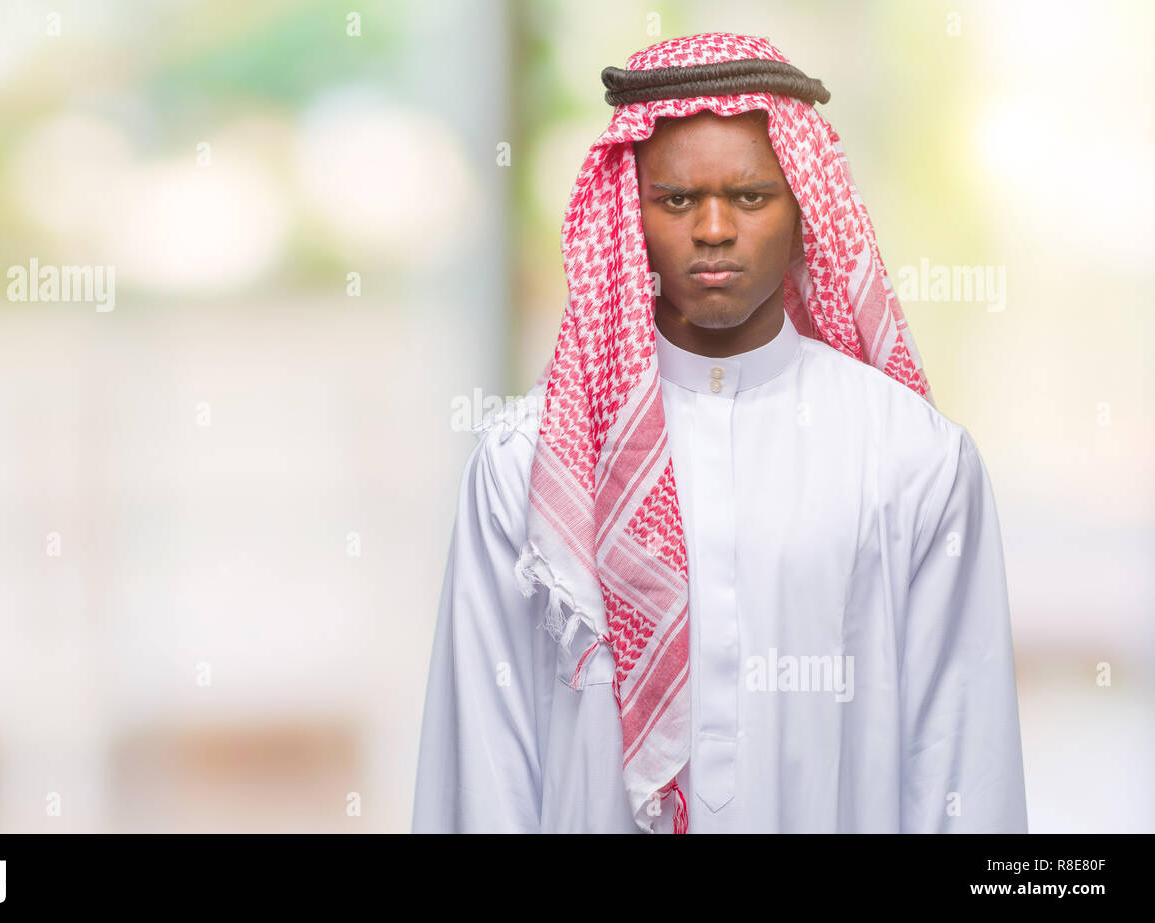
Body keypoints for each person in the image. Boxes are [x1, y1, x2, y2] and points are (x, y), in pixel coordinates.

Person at [412, 32, 1029, 834]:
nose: (712, 228)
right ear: (627, 217)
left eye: (749, 198)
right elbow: (481, 769)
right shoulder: (528, 461)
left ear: (805, 207)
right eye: (674, 200)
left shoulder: (912, 457)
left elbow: (962, 759)